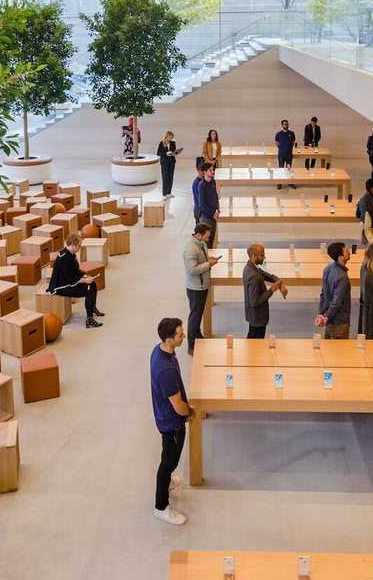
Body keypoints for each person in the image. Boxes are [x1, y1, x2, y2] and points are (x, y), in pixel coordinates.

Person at [150, 317, 191, 526]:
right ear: (169, 339)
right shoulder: (165, 370)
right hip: (171, 423)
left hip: (165, 417)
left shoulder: (160, 351)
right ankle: (161, 507)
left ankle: (167, 481)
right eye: (180, 335)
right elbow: (177, 406)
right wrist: (189, 412)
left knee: (169, 458)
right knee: (168, 462)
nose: (184, 336)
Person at [48, 232, 104, 328]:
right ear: (73, 245)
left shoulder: (71, 254)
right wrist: (84, 280)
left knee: (92, 284)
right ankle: (89, 319)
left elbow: (76, 270)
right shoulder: (64, 258)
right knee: (88, 289)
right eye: (79, 245)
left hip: (67, 282)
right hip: (60, 287)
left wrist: (85, 275)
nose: (80, 247)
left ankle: (92, 307)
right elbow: (70, 280)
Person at [182, 221, 219, 355]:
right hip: (195, 288)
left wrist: (209, 259)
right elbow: (191, 270)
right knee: (195, 317)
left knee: (198, 315)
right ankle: (192, 346)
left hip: (202, 285)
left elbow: (202, 259)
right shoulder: (190, 249)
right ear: (198, 235)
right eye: (206, 236)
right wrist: (208, 264)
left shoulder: (201, 243)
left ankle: (198, 337)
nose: (208, 239)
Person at [241, 243, 286, 339]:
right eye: (262, 255)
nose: (264, 257)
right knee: (255, 342)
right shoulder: (253, 276)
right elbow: (254, 301)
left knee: (253, 340)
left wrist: (279, 282)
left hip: (254, 316)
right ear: (254, 256)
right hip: (257, 317)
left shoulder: (251, 267)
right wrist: (272, 290)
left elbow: (267, 275)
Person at [314, 241, 351, 339]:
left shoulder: (328, 269)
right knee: (339, 347)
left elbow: (323, 294)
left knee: (328, 346)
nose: (349, 252)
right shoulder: (342, 277)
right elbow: (337, 302)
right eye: (346, 251)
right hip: (339, 322)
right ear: (340, 257)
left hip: (329, 320)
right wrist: (326, 317)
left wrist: (321, 314)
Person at [194, 164, 220, 246]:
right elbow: (202, 205)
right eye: (210, 170)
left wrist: (217, 210)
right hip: (206, 218)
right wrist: (213, 213)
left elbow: (215, 197)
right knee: (205, 243)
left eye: (213, 170)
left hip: (213, 217)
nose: (212, 172)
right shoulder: (201, 185)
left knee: (211, 240)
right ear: (205, 172)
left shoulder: (213, 181)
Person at [355, 178, 373, 243]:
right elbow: (364, 215)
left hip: (372, 218)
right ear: (369, 189)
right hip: (367, 220)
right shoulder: (364, 200)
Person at [156, 131, 180, 198]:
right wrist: (166, 153)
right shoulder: (162, 143)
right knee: (165, 177)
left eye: (172, 137)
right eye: (170, 136)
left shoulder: (173, 143)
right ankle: (164, 194)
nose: (171, 138)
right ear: (167, 136)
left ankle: (169, 193)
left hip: (172, 162)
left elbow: (174, 151)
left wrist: (175, 153)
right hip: (165, 162)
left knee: (170, 178)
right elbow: (158, 153)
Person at [274, 120, 296, 187]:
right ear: (282, 125)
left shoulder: (291, 133)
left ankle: (289, 182)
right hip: (281, 154)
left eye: (287, 124)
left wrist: (288, 148)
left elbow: (293, 142)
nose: (286, 125)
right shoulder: (278, 134)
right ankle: (279, 183)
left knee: (289, 169)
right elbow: (277, 143)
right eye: (284, 124)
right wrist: (282, 148)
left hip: (289, 154)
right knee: (281, 168)